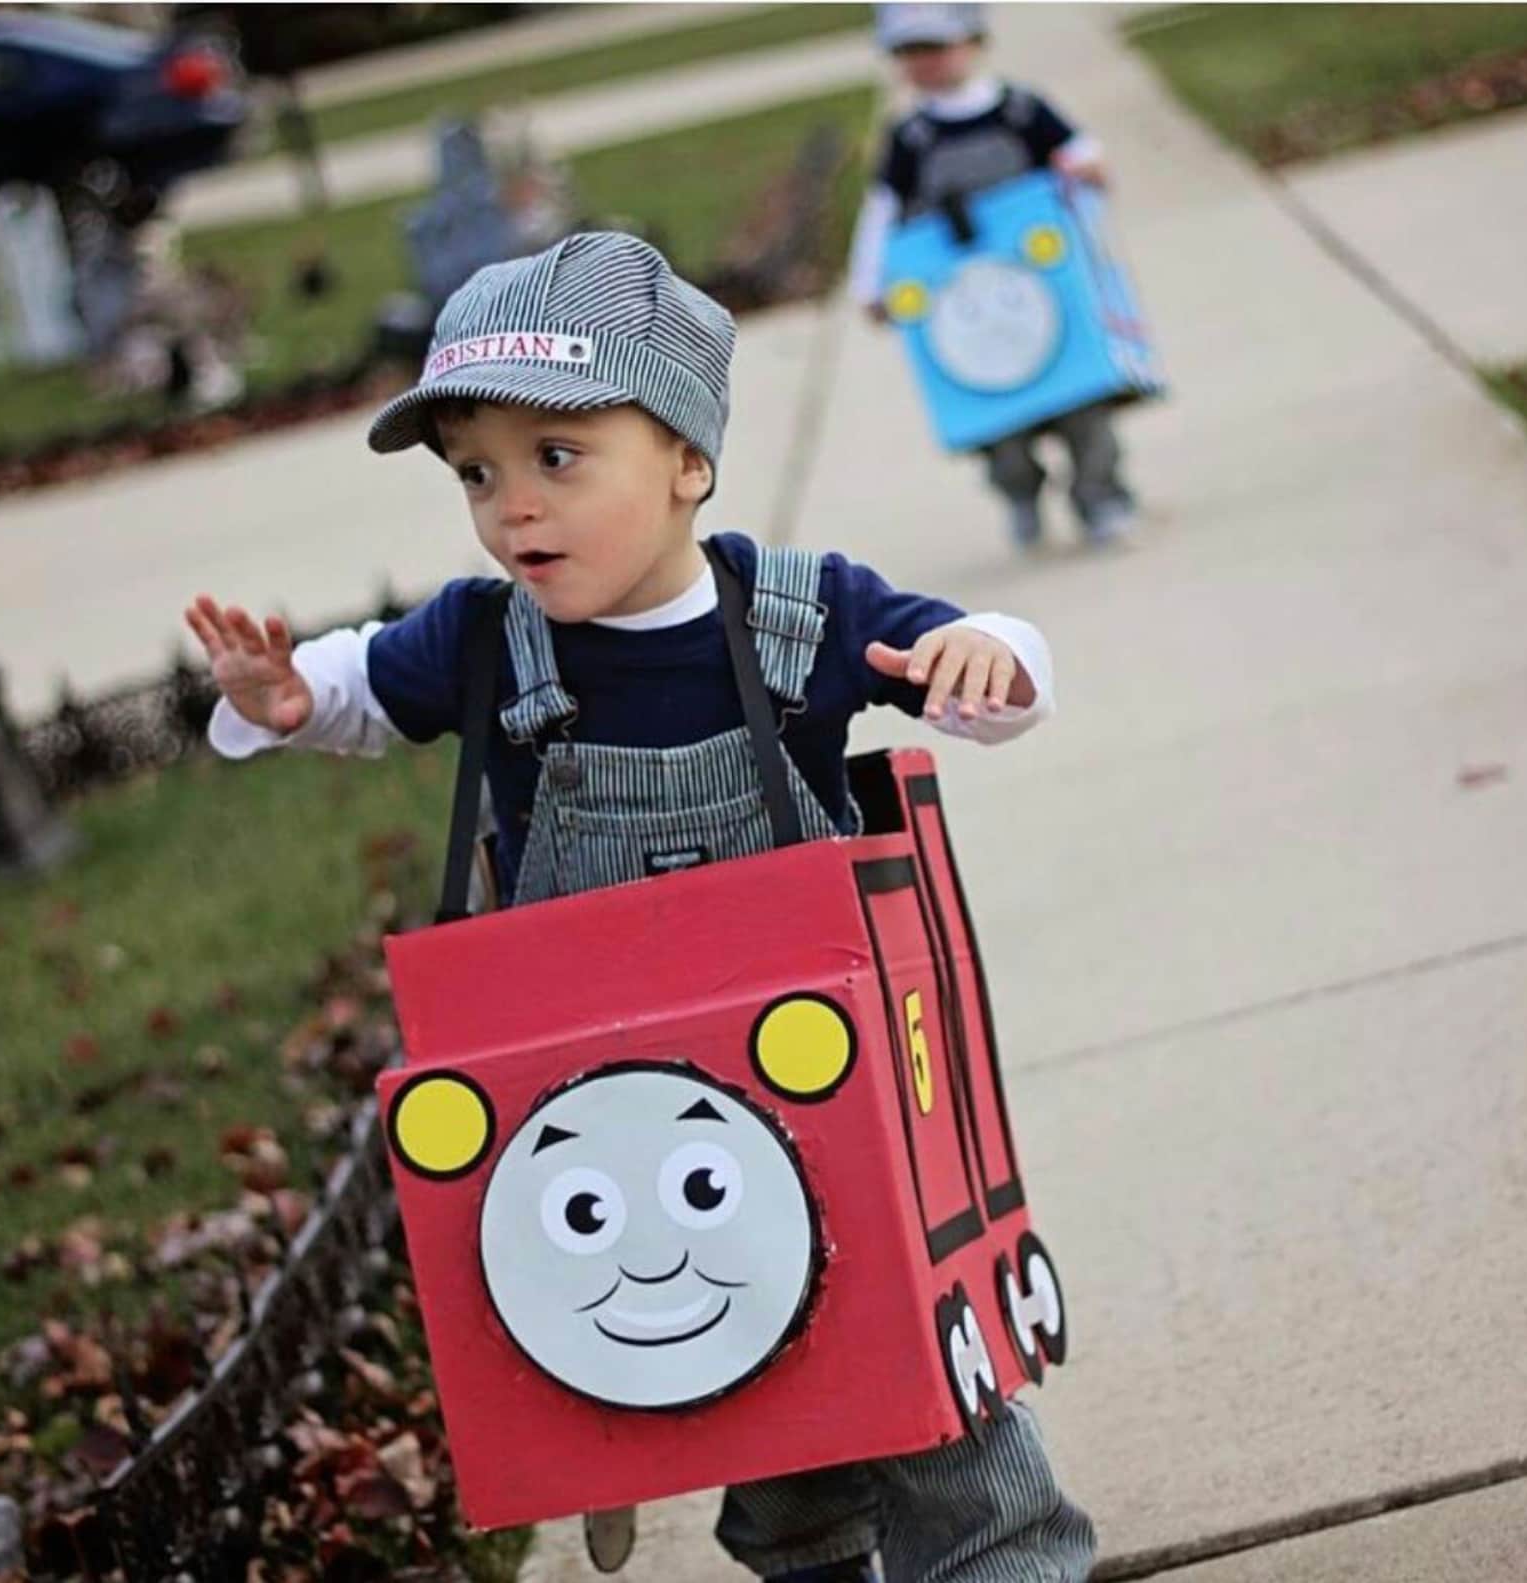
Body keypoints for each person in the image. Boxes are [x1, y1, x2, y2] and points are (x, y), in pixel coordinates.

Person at [185, 231, 1095, 1583]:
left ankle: (1005, 1555)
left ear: (685, 460)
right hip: (614, 1085)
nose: (514, 511)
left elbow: (1002, 670)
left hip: (821, 1070)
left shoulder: (806, 614)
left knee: (902, 1342)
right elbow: (356, 684)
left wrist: (990, 658)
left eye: (558, 459)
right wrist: (280, 700)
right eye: (479, 473)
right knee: (747, 1359)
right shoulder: (486, 639)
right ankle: (812, 1551)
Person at [848, 1, 1138, 549]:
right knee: (999, 429)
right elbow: (882, 212)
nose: (925, 62)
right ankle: (1020, 492)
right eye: (909, 52)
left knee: (1085, 413)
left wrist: (1088, 168)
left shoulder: (1022, 112)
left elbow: (1079, 152)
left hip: (1049, 299)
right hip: (967, 312)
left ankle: (1102, 497)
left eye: (936, 46)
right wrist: (872, 285)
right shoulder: (910, 140)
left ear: (973, 42)